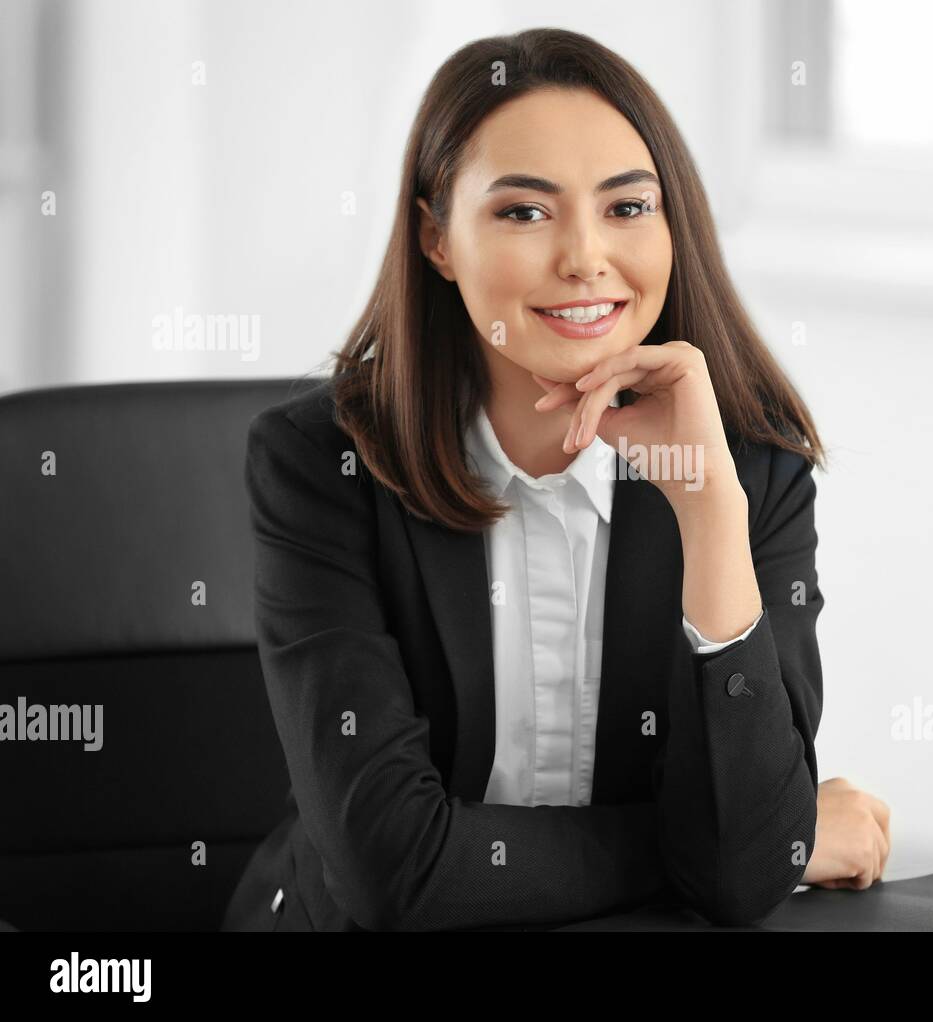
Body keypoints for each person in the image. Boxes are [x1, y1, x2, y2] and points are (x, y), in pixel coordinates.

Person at [221, 26, 889, 933]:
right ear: (436, 239)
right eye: (524, 212)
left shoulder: (752, 474)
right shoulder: (322, 465)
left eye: (627, 208)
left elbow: (737, 880)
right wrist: (758, 842)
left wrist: (708, 516)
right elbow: (392, 874)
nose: (584, 256)